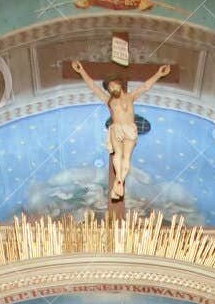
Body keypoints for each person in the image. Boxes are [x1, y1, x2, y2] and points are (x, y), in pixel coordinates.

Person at [70, 59, 173, 202]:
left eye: (113, 86)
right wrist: (82, 72)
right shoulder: (109, 101)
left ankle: (119, 181)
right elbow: (93, 87)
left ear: (119, 84)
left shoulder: (131, 97)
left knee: (127, 156)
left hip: (130, 129)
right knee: (118, 154)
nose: (112, 89)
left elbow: (145, 86)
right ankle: (119, 180)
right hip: (116, 129)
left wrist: (158, 74)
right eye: (109, 89)